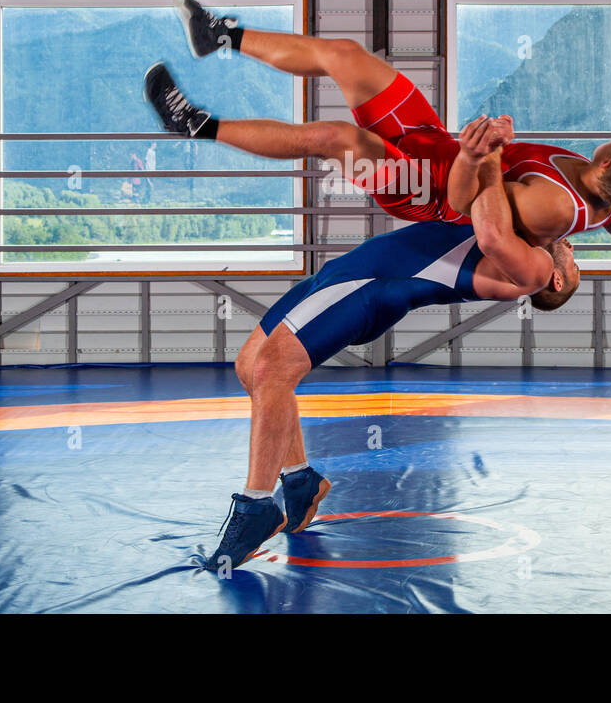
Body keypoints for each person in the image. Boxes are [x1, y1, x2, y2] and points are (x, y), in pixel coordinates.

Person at [206, 130, 578, 572]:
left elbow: (491, 226)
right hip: (348, 272)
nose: (572, 246)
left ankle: (256, 505)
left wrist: (494, 157)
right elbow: (471, 196)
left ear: (556, 280)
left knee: (272, 370)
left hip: (369, 289)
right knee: (250, 365)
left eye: (574, 262)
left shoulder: (533, 269)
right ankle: (300, 479)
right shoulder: (519, 234)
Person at [146, 0, 611, 252]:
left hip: (424, 188)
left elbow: (464, 206)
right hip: (434, 141)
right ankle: (219, 35)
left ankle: (192, 123)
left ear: (608, 165)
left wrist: (486, 153)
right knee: (345, 55)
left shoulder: (555, 207)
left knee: (333, 137)